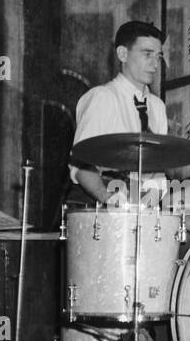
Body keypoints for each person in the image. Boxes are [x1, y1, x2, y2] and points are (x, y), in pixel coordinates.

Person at [69, 20, 168, 206]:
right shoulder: (102, 97)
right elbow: (81, 166)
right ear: (123, 54)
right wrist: (109, 199)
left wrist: (149, 201)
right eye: (147, 54)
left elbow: (157, 171)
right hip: (99, 203)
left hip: (138, 203)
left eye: (159, 56)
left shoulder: (157, 107)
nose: (155, 64)